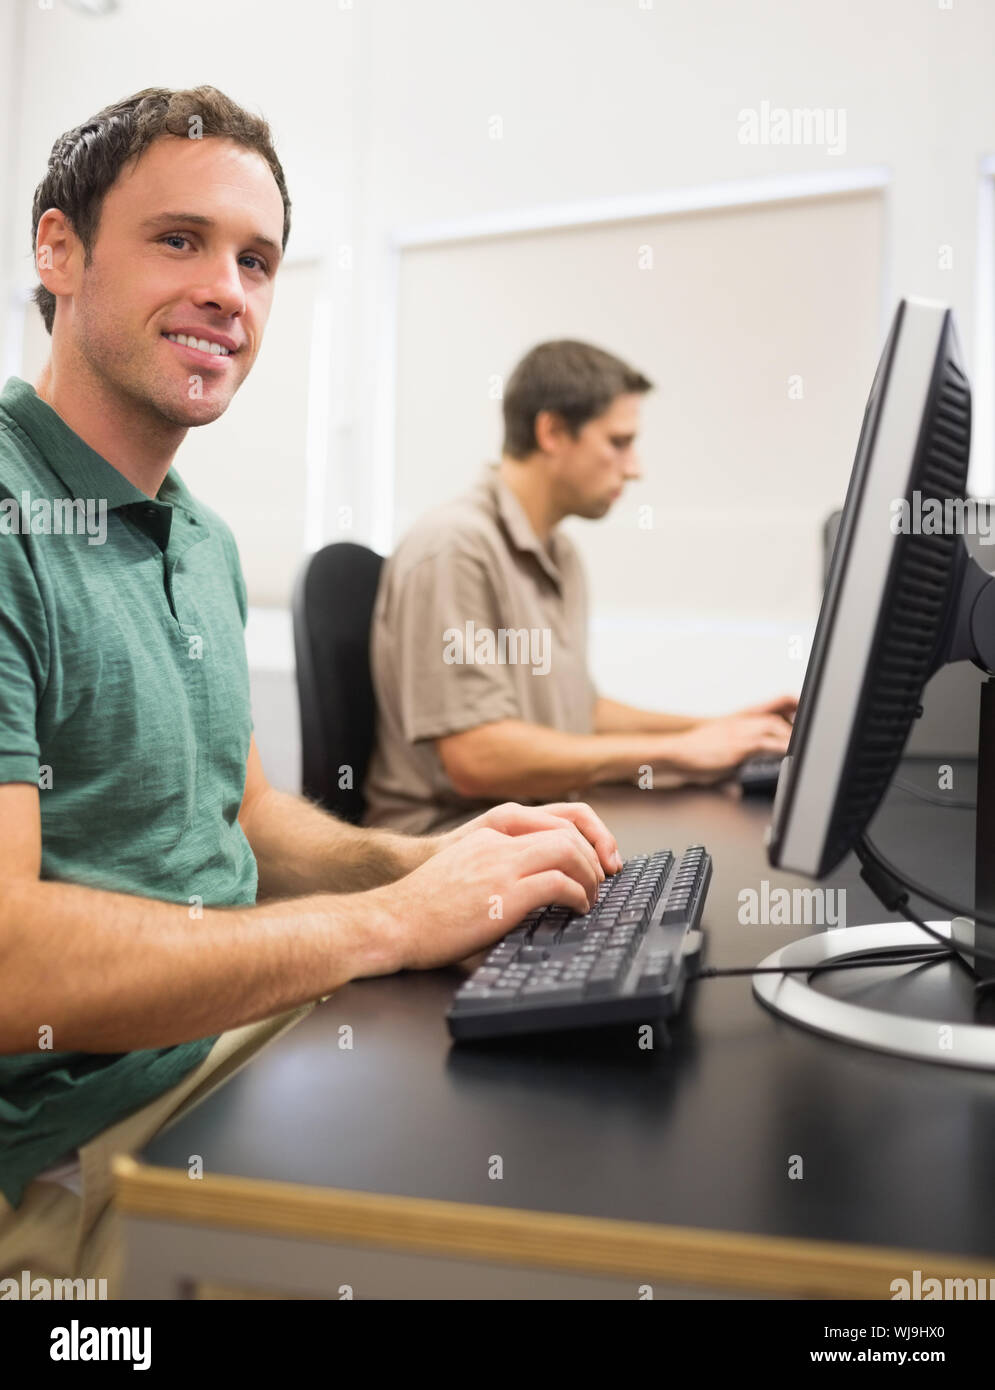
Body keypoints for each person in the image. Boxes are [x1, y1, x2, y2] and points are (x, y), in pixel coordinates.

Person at [0, 87, 620, 1296]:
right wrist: (387, 927)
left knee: (574, 1151)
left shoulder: (201, 539)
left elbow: (240, 820)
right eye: (178, 239)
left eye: (258, 260)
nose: (228, 290)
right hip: (75, 1166)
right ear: (59, 249)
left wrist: (433, 868)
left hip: (244, 1045)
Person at [364, 339, 795, 835]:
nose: (635, 468)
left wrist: (717, 728)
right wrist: (677, 751)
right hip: (444, 846)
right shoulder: (454, 548)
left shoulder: (559, 554)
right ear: (552, 431)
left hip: (535, 823)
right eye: (618, 442)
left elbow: (581, 712)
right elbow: (475, 757)